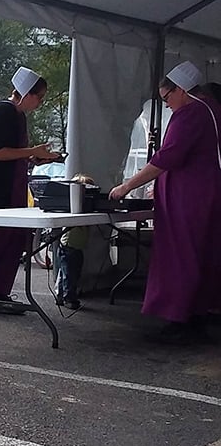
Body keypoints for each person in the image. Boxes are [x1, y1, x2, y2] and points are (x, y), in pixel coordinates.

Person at [109, 60, 221, 341]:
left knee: (180, 256)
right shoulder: (213, 110)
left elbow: (167, 157)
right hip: (206, 193)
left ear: (182, 90)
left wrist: (127, 185)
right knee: (200, 254)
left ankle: (179, 317)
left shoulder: (192, 113)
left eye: (168, 97)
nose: (167, 104)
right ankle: (197, 314)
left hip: (189, 198)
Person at [0, 67, 61, 305]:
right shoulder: (3, 112)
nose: (40, 102)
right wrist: (31, 151)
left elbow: (10, 153)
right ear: (27, 94)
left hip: (7, 189)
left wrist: (35, 157)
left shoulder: (15, 114)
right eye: (39, 97)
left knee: (11, 242)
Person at [55, 174, 94, 310]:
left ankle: (61, 295)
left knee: (69, 273)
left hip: (74, 246)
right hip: (69, 246)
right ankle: (68, 298)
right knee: (69, 274)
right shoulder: (75, 209)